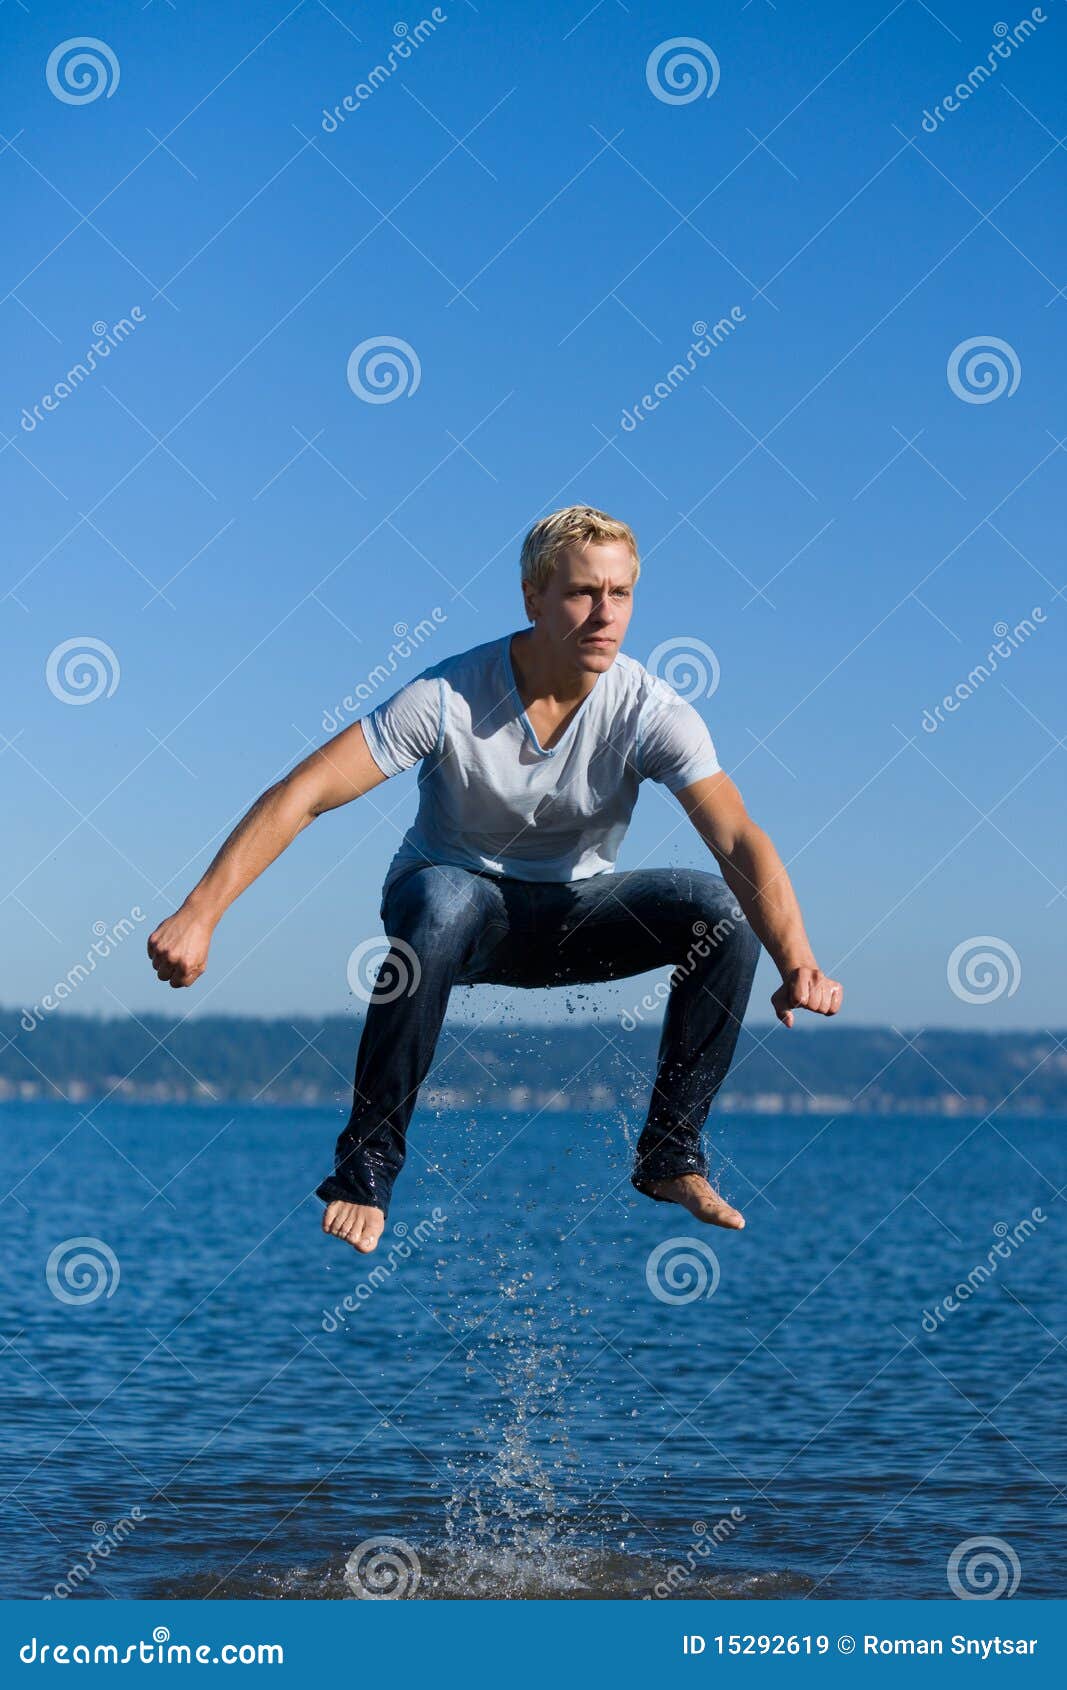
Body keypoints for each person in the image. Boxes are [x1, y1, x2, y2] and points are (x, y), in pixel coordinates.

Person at [147, 506, 842, 1253]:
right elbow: (304, 792)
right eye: (581, 593)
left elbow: (737, 837)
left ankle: (671, 1154)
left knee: (716, 911)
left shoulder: (649, 709)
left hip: (573, 917)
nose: (604, 615)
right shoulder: (449, 695)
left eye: (620, 594)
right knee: (446, 900)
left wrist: (795, 958)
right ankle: (366, 1172)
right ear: (533, 598)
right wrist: (200, 912)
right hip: (451, 907)